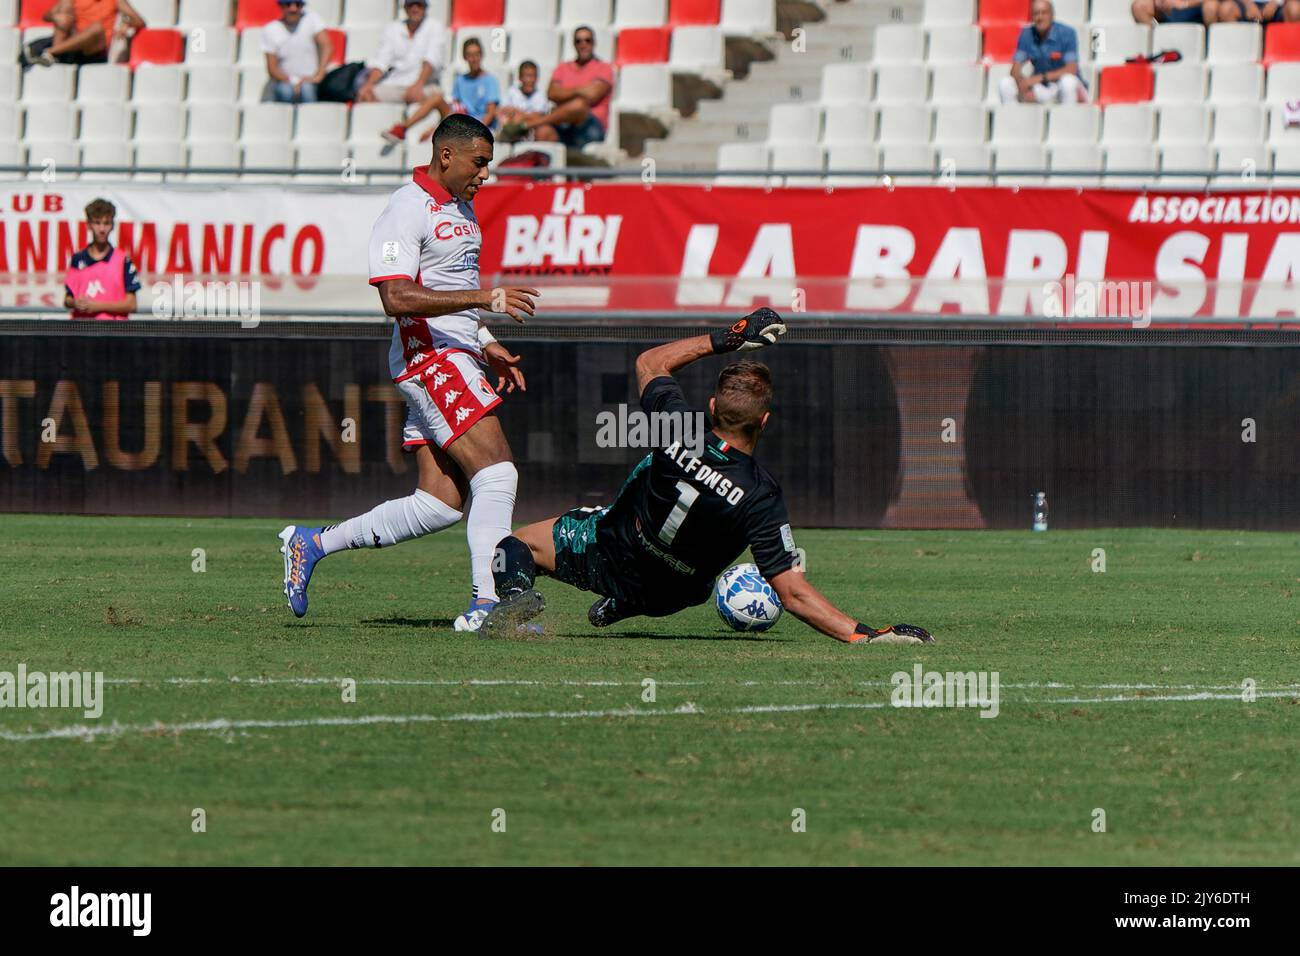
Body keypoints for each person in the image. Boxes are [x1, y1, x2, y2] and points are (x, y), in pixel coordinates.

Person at [479, 308, 935, 645]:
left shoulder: (679, 428)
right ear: (766, 421)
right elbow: (791, 591)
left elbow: (649, 364)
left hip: (610, 555)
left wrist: (730, 336)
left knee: (513, 547)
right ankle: (628, 605)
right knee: (692, 576)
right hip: (674, 593)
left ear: (713, 408)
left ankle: (516, 604)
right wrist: (865, 636)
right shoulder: (761, 493)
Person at [279, 114, 541, 633]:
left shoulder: (464, 210)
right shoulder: (407, 207)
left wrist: (485, 341)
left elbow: (450, 292)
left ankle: (311, 543)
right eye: (479, 162)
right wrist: (487, 299)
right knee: (497, 470)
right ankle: (487, 603)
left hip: (456, 355)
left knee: (440, 503)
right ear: (446, 155)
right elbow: (395, 298)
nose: (485, 174)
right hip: (429, 359)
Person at [381, 37, 499, 145]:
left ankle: (403, 128)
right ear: (465, 57)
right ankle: (402, 128)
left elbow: (490, 113)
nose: (473, 59)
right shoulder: (460, 80)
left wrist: (475, 132)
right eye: (470, 55)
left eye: (476, 54)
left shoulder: (490, 80)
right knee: (436, 98)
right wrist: (434, 129)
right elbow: (453, 109)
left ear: (481, 55)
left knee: (437, 99)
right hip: (461, 122)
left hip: (477, 126)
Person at [520, 25, 614, 148]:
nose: (583, 44)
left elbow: (593, 95)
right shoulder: (562, 67)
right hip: (562, 125)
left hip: (590, 127)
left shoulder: (604, 68)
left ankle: (529, 124)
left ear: (594, 43)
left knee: (579, 105)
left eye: (587, 40)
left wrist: (565, 94)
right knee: (543, 132)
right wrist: (581, 90)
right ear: (574, 44)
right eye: (578, 41)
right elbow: (552, 94)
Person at [355, 0, 447, 105]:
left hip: (425, 85)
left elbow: (431, 59)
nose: (415, 8)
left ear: (425, 7)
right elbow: (381, 61)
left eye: (419, 5)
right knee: (365, 95)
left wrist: (418, 85)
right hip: (395, 85)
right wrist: (368, 85)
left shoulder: (435, 27)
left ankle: (405, 122)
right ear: (405, 7)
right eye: (411, 5)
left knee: (434, 95)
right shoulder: (393, 28)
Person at [63, 198, 141, 321]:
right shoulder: (77, 259)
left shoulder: (123, 260)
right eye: (97, 223)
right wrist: (75, 303)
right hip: (82, 332)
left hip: (114, 333)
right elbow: (68, 299)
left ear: (112, 226)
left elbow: (131, 304)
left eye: (106, 223)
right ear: (89, 225)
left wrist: (96, 306)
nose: (102, 229)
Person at [998, 1, 1087, 105]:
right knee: (1005, 83)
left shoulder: (1067, 33)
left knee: (1068, 82)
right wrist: (1023, 85)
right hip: (1041, 87)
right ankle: (1012, 119)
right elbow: (1014, 69)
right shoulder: (1026, 34)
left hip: (1062, 87)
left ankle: (1068, 120)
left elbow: (1071, 69)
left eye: (1044, 13)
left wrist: (1038, 78)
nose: (1040, 17)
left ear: (1052, 15)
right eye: (1036, 13)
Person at [24, 0, 145, 66]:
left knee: (97, 28)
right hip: (75, 44)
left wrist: (126, 24)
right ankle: (54, 56)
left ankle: (51, 52)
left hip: (97, 49)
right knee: (63, 18)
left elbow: (139, 21)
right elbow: (46, 16)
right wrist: (56, 17)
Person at [261, 0, 332, 104]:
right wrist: (294, 81)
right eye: (288, 4)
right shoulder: (270, 29)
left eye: (298, 5)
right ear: (281, 6)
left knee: (307, 90)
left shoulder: (312, 19)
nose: (293, 9)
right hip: (284, 81)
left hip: (309, 80)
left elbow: (326, 46)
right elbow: (272, 69)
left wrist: (319, 74)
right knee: (286, 91)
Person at [498, 60, 554, 143]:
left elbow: (539, 117)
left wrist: (518, 114)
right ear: (520, 78)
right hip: (513, 129)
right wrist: (527, 116)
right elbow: (503, 113)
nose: (530, 80)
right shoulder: (512, 92)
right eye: (527, 76)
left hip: (532, 132)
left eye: (533, 76)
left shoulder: (540, 95)